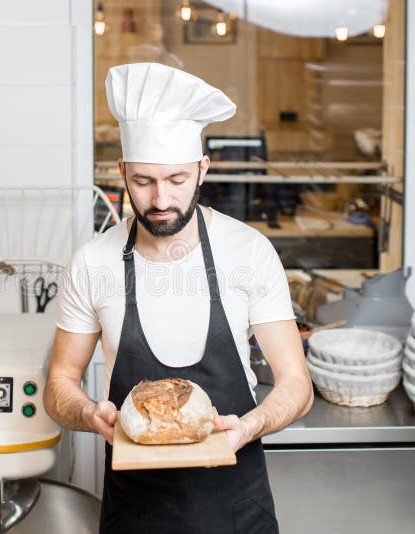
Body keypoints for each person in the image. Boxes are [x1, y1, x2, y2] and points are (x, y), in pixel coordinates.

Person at [44, 62, 313, 533]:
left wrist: (248, 426)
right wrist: (89, 414)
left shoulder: (248, 251)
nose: (161, 199)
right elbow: (59, 382)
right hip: (136, 515)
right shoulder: (93, 263)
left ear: (202, 170)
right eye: (144, 182)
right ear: (123, 171)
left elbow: (297, 385)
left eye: (177, 180)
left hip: (236, 510)